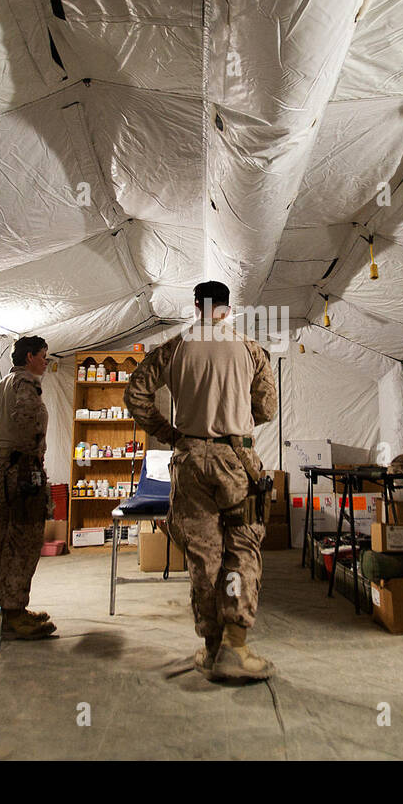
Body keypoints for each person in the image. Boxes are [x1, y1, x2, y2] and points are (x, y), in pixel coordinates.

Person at [125, 281, 278, 681]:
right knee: (241, 549)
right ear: (227, 309)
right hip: (237, 460)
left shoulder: (175, 348)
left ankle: (211, 649)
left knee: (203, 557)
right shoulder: (249, 348)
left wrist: (171, 432)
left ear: (196, 306)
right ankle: (236, 647)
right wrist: (238, 424)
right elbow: (268, 407)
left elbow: (136, 392)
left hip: (190, 459)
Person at [0, 335, 56, 640]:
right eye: (43, 356)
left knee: (0, 541)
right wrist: (33, 459)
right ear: (29, 357)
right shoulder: (26, 384)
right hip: (20, 472)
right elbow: (29, 422)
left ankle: (7, 609)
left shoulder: (2, 384)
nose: (45, 362)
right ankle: (13, 613)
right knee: (23, 542)